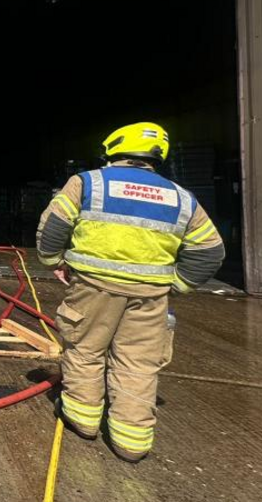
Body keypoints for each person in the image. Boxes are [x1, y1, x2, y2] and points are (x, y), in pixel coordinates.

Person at [36, 122, 224, 463]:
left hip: (93, 289)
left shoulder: (88, 183)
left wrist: (54, 262)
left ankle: (82, 418)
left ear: (114, 148)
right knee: (138, 363)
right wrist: (176, 285)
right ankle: (131, 441)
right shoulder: (182, 199)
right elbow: (210, 251)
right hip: (150, 297)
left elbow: (53, 228)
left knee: (85, 349)